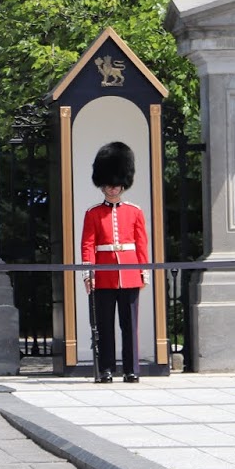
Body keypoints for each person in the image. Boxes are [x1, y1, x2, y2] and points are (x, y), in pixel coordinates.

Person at [81, 141, 150, 384]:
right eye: (109, 184)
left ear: (124, 183)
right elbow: (88, 245)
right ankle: (107, 369)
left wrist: (143, 272)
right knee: (105, 325)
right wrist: (89, 274)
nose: (113, 189)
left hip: (130, 273)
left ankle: (132, 369)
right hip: (104, 275)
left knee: (129, 325)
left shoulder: (135, 211)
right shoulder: (93, 213)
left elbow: (141, 244)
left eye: (117, 184)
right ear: (103, 185)